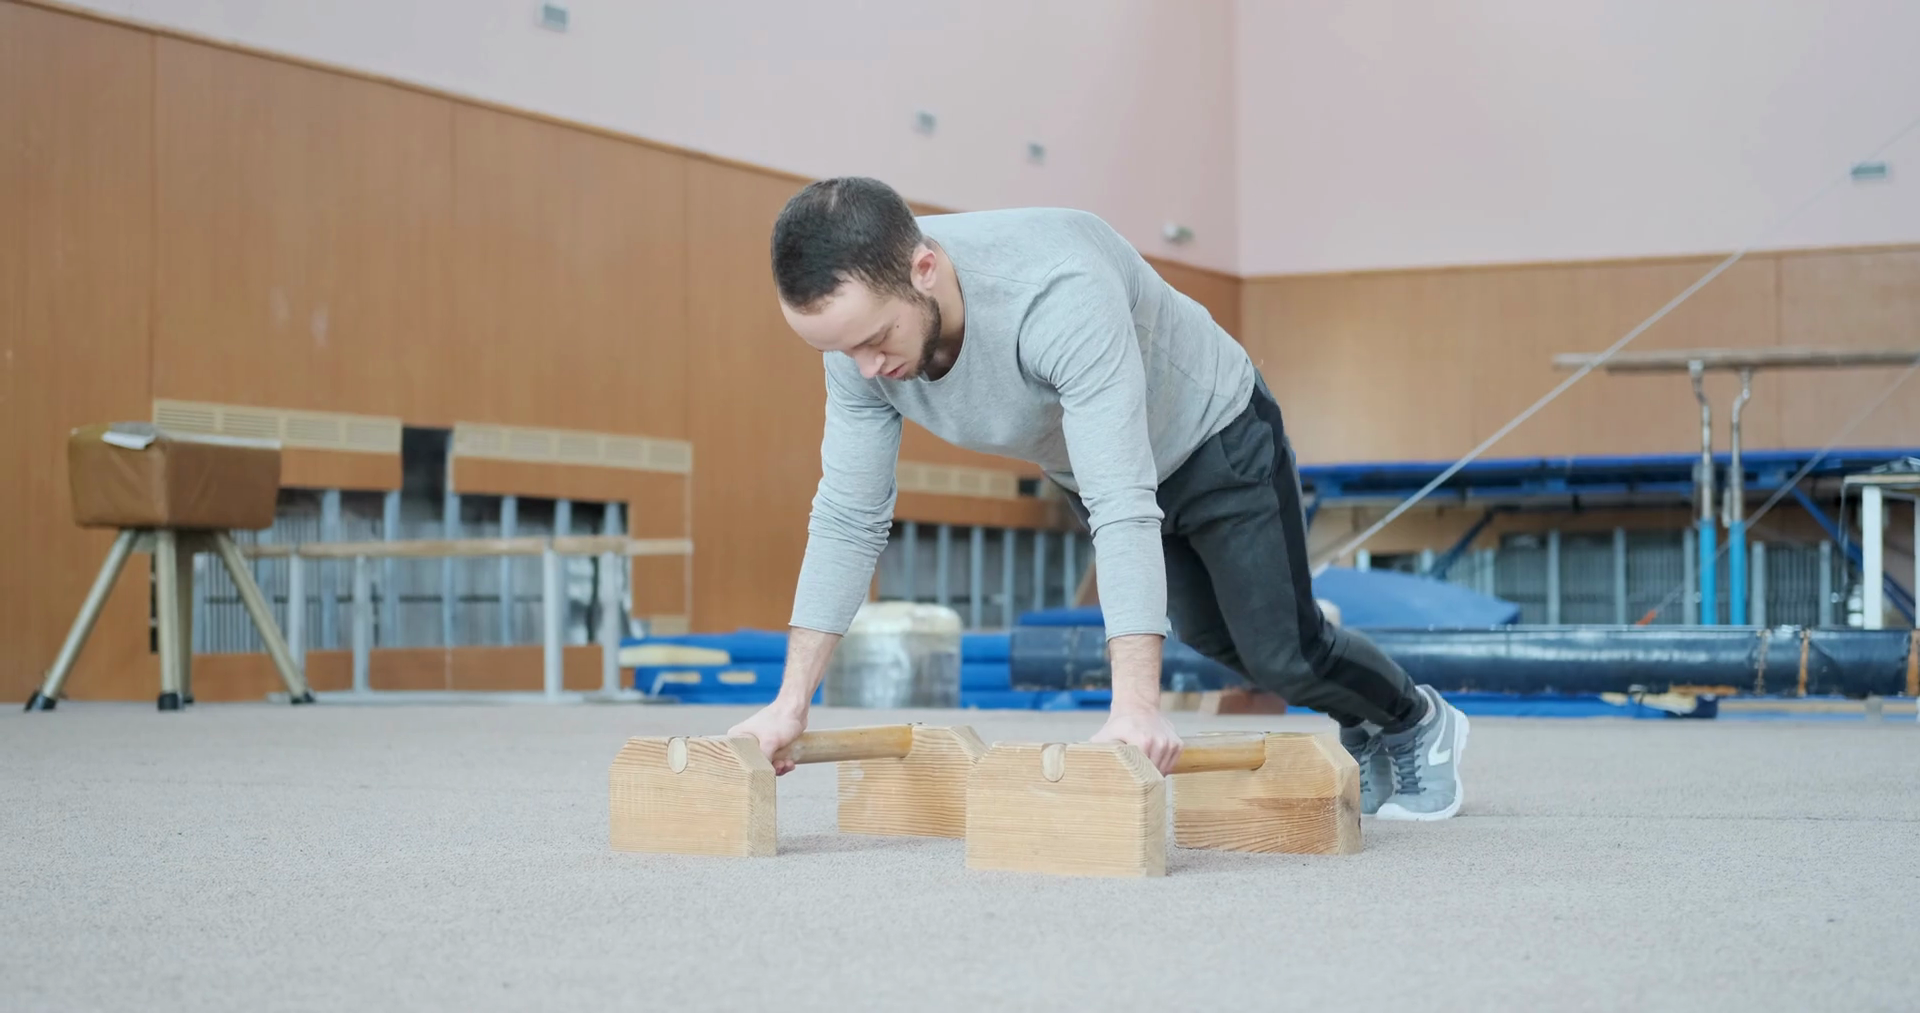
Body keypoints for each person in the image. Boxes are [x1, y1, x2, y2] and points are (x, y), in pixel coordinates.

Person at [727, 176, 1468, 820]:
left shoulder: (1055, 290)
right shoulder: (859, 353)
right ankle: (1353, 708)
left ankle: (1415, 719)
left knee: (1281, 651)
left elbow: (1123, 502)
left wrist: (1134, 711)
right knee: (1217, 641)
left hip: (1215, 435)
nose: (866, 368)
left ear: (924, 268)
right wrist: (791, 702)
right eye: (840, 350)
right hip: (1092, 470)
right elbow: (849, 519)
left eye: (876, 339)